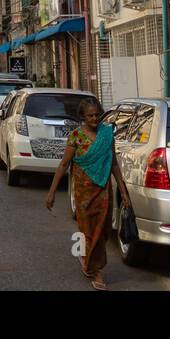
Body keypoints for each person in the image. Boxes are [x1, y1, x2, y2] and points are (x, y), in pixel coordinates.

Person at [45, 98, 130, 290]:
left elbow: (114, 164)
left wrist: (123, 191)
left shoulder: (107, 134)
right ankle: (95, 270)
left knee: (103, 230)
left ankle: (90, 262)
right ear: (82, 117)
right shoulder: (75, 136)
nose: (95, 118)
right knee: (88, 231)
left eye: (97, 115)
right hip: (83, 194)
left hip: (103, 191)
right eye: (90, 115)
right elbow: (64, 164)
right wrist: (51, 192)